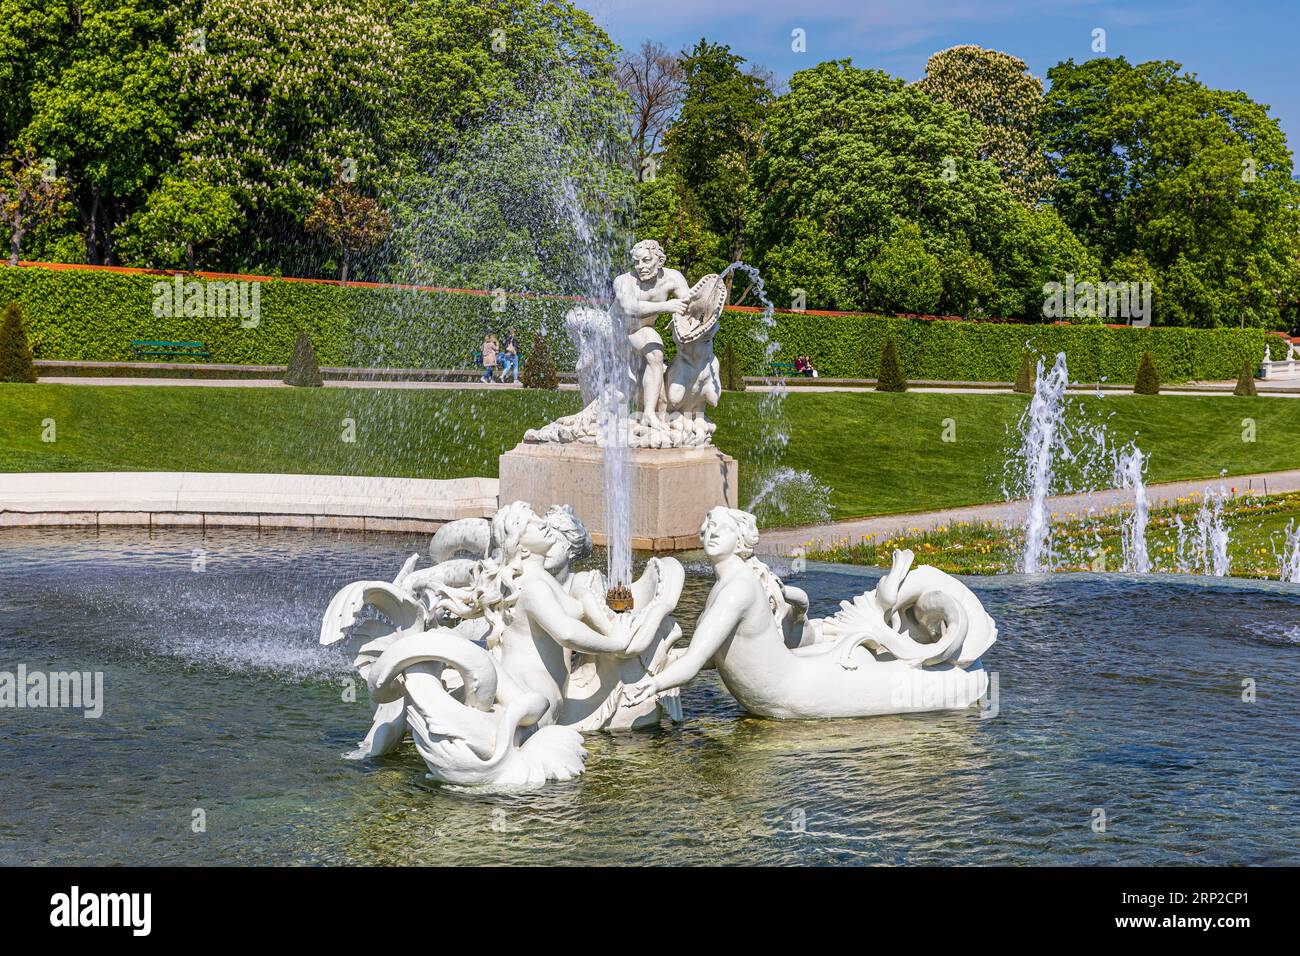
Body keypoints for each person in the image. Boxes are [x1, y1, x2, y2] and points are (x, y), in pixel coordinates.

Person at [612, 239, 691, 425]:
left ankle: (648, 413)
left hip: (642, 332)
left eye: (646, 261)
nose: (641, 266)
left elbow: (689, 304)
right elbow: (630, 308)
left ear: (660, 261)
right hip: (618, 333)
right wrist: (667, 306)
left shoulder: (673, 278)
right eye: (637, 262)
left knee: (655, 351)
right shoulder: (623, 281)